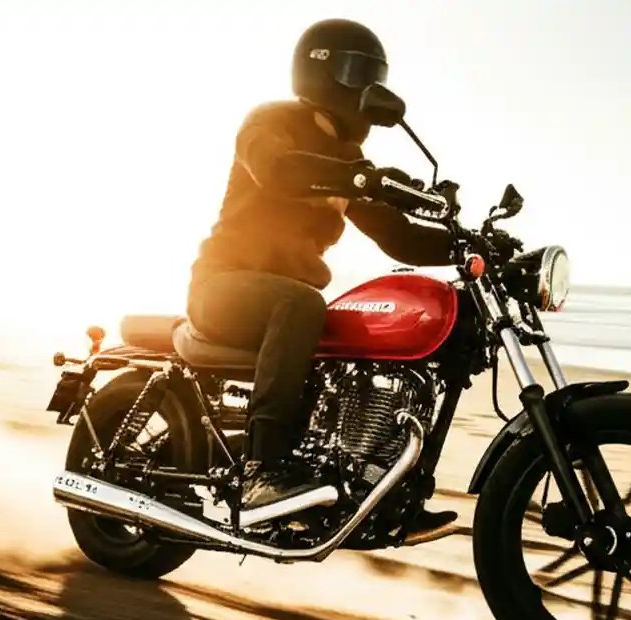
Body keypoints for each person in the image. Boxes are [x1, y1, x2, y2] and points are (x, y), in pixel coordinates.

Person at [185, 18, 458, 540]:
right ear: (322, 70)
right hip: (223, 287)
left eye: (374, 76)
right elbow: (278, 170)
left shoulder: (348, 160)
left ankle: (386, 485)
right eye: (357, 72)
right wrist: (365, 179)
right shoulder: (270, 122)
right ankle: (262, 474)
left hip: (284, 301)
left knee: (359, 332)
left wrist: (470, 246)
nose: (367, 89)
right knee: (303, 304)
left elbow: (399, 240)